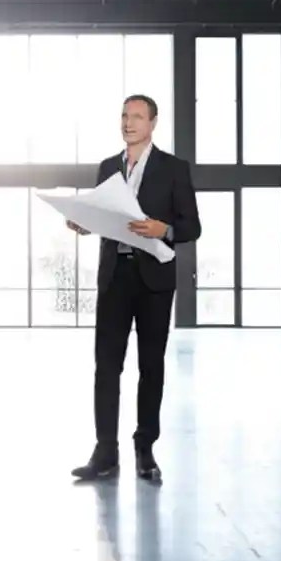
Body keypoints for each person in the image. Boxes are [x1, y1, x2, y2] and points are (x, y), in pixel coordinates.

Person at [68, 94, 201, 482]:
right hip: (115, 278)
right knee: (106, 367)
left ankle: (145, 449)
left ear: (153, 123)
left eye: (137, 116)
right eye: (125, 116)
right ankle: (105, 452)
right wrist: (84, 221)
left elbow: (192, 226)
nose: (128, 122)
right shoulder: (108, 167)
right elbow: (104, 216)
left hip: (154, 279)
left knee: (150, 367)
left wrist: (166, 229)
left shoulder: (174, 169)